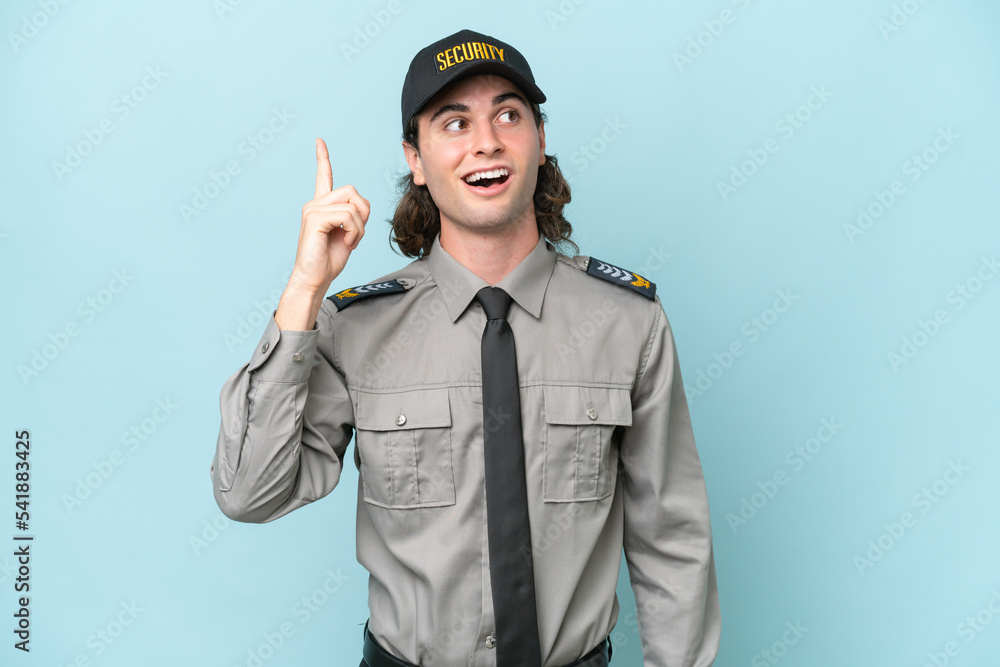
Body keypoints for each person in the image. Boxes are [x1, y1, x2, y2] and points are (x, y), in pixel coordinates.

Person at [210, 28, 720, 667]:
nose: (486, 142)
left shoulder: (628, 321)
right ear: (415, 159)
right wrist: (305, 288)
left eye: (509, 115)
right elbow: (249, 493)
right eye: (453, 123)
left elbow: (672, 537)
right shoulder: (353, 328)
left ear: (539, 140)